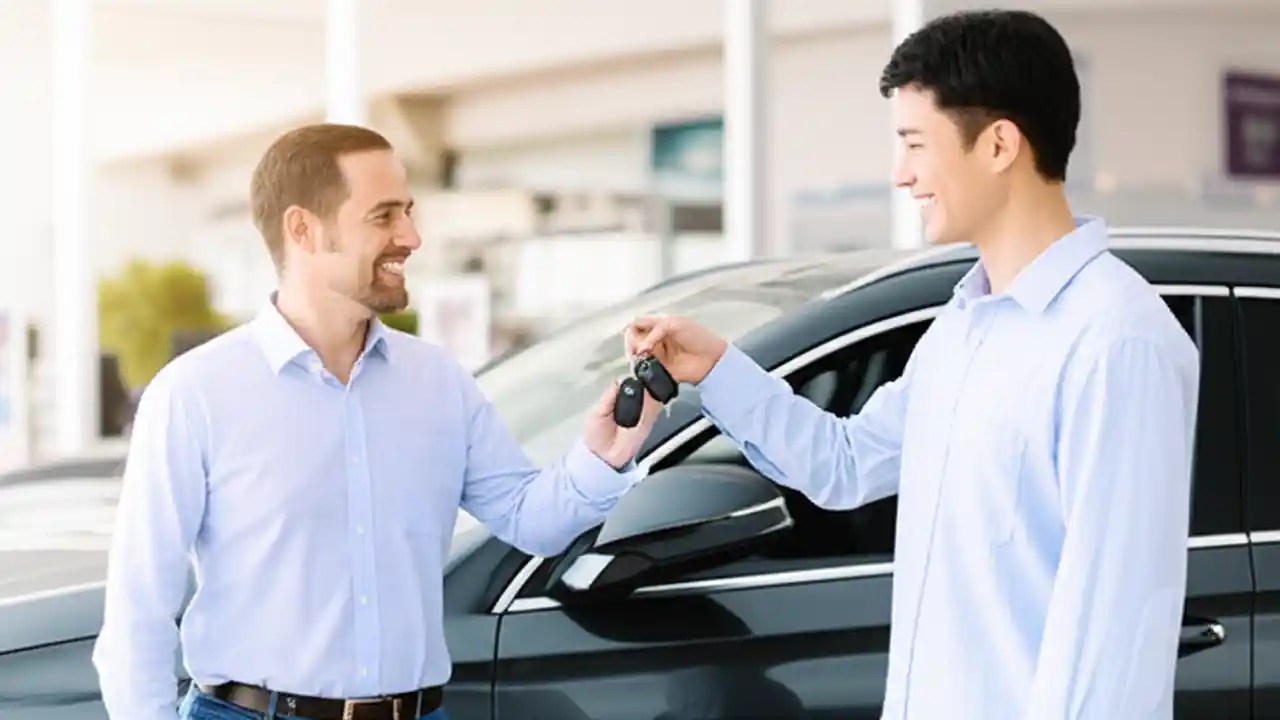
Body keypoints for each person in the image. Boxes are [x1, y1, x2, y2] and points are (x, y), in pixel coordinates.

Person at [626, 10, 1199, 720]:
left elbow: (1111, 642)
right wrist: (715, 368)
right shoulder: (964, 326)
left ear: (997, 144)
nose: (901, 175)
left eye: (915, 143)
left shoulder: (1117, 341)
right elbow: (845, 464)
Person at [92, 123, 662, 720]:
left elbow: (531, 521)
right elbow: (138, 614)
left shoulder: (438, 383)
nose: (412, 237)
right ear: (303, 229)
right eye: (384, 216)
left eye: (409, 213)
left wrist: (607, 451)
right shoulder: (196, 394)